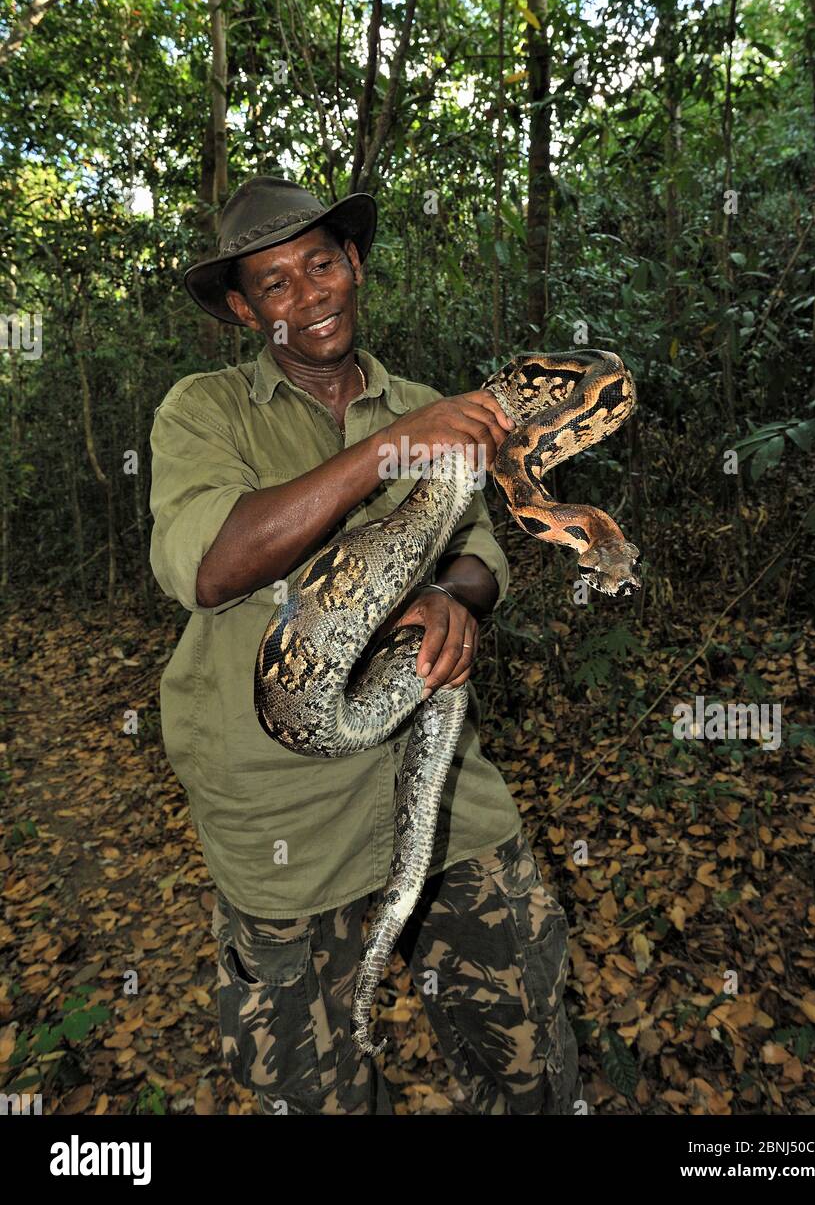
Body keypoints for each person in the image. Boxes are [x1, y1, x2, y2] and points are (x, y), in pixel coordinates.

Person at [149, 174, 579, 1115]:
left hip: (449, 789)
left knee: (529, 1057)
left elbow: (481, 555)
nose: (307, 295)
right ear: (243, 310)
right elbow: (214, 568)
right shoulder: (202, 411)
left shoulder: (426, 403)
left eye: (320, 264)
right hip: (289, 822)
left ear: (352, 263)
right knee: (315, 1090)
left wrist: (448, 597)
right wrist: (391, 450)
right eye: (273, 283)